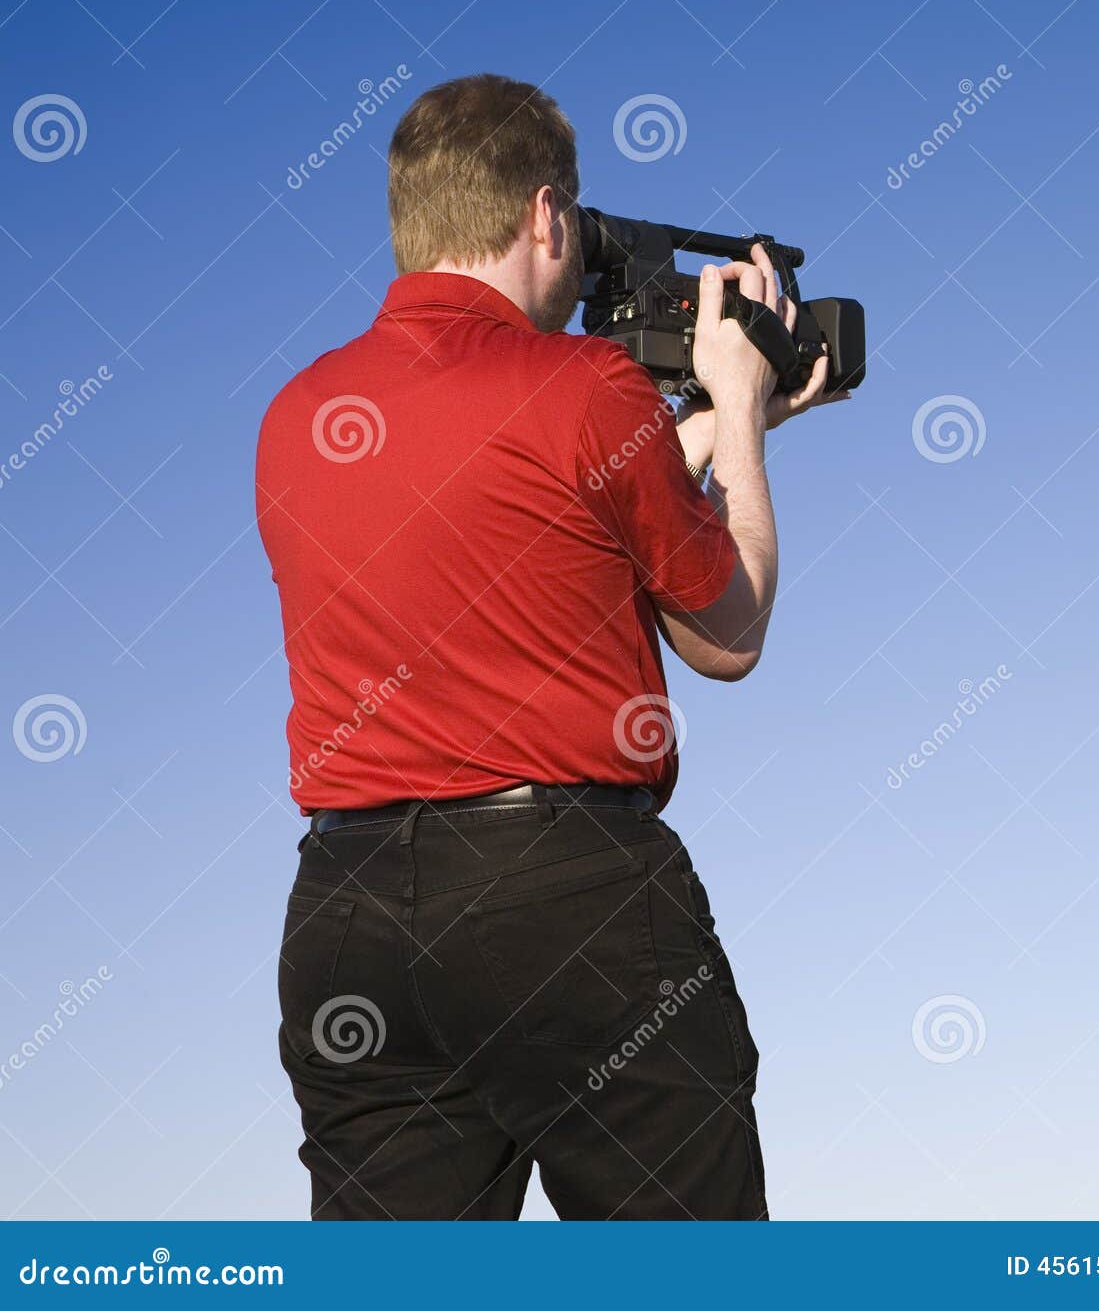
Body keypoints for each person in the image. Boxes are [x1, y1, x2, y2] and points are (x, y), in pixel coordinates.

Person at [253, 72, 846, 1220]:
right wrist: (745, 433)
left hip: (346, 911)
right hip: (567, 906)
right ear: (545, 215)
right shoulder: (587, 387)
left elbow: (524, 529)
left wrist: (701, 433)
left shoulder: (297, 415)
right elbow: (727, 634)